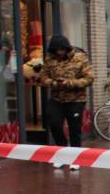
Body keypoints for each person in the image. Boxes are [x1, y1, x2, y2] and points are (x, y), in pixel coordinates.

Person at [34, 35, 93, 170]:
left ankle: (75, 158)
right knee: (54, 123)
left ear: (66, 48)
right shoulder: (50, 59)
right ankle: (62, 153)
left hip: (76, 99)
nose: (59, 52)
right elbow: (43, 77)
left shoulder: (80, 58)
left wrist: (70, 83)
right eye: (56, 50)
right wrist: (53, 83)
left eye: (61, 49)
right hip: (57, 98)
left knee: (74, 129)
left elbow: (89, 78)